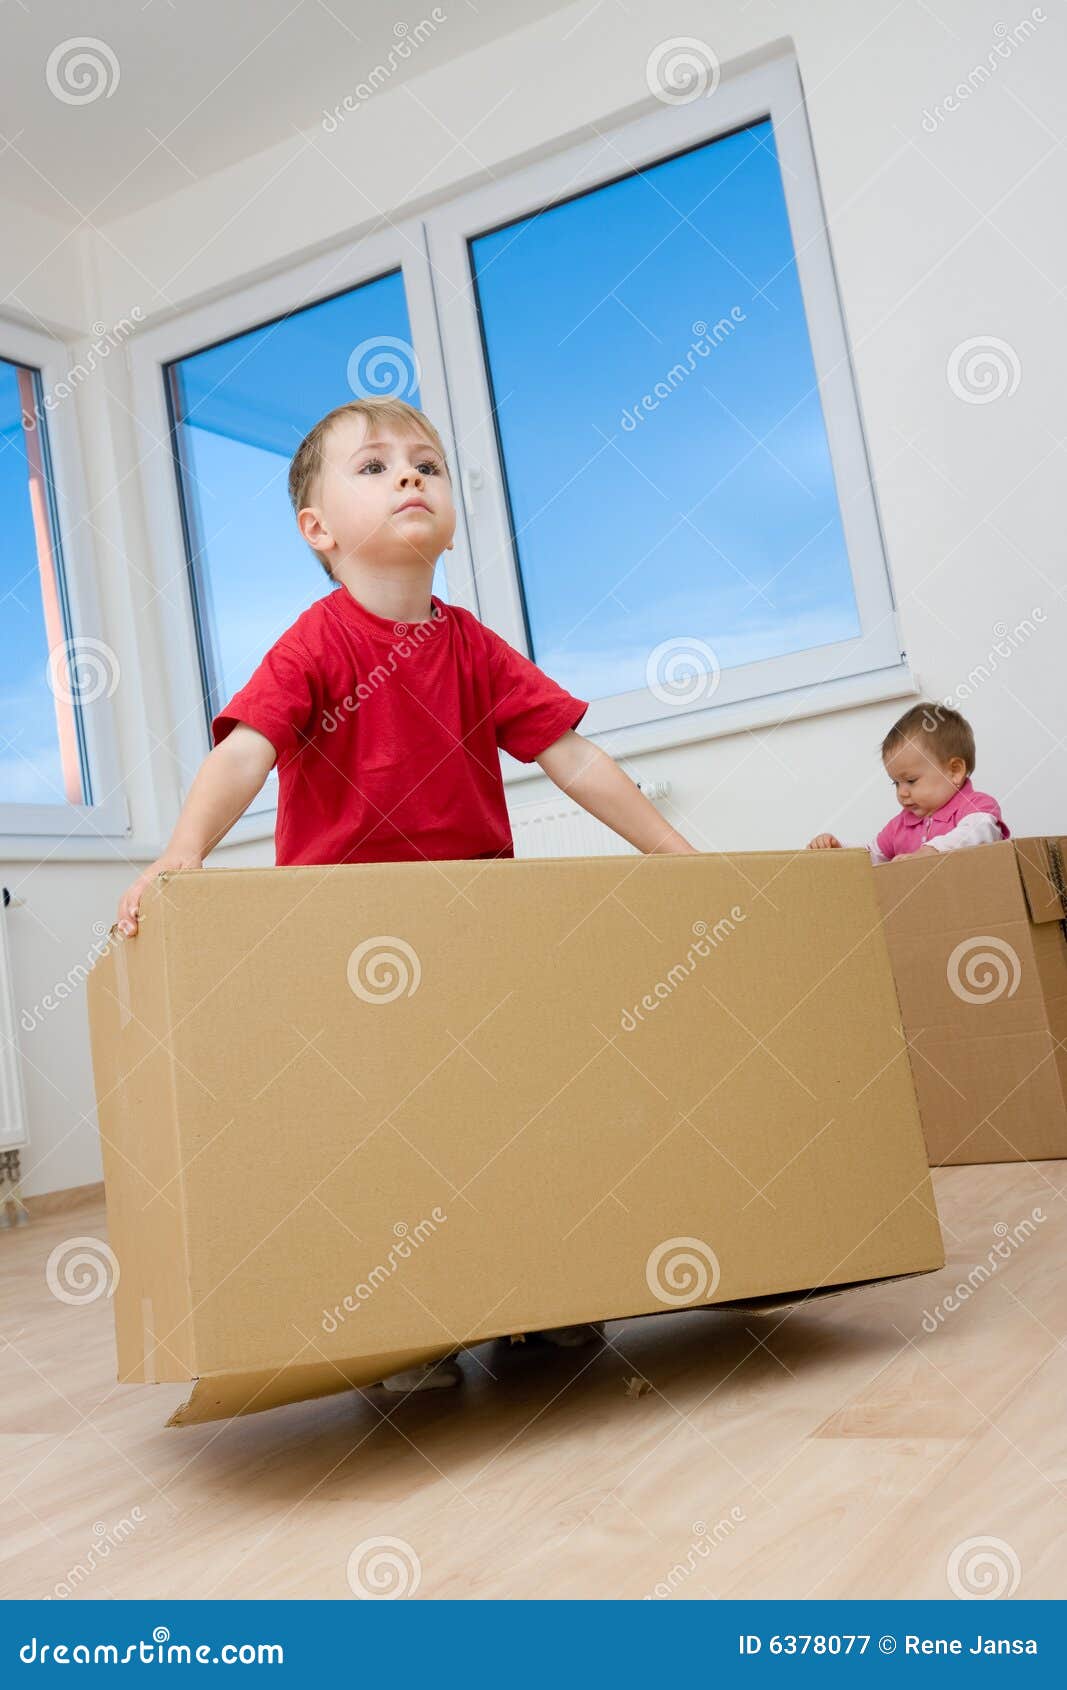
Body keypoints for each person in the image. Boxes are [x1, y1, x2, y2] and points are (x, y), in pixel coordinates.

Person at [116, 395, 700, 1391]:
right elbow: (246, 750)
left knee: (505, 1113)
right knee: (382, 1134)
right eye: (377, 466)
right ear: (318, 529)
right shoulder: (314, 645)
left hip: (474, 923)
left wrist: (675, 857)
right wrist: (184, 850)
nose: (410, 478)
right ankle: (405, 1316)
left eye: (426, 463)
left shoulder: (472, 646)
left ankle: (534, 1292)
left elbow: (572, 757)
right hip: (341, 935)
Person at [807, 702, 1009, 863]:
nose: (902, 793)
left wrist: (930, 851)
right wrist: (839, 851)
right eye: (896, 783)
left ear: (954, 771)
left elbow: (979, 832)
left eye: (911, 781)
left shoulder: (977, 807)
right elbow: (872, 855)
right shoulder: (899, 826)